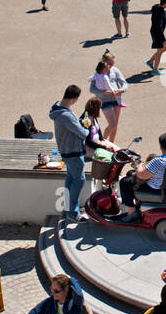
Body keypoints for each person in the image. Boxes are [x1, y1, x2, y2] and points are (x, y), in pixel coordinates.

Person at [118, 131, 166, 221]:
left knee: (124, 182)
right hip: (165, 187)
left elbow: (141, 175)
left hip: (156, 190)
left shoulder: (159, 161)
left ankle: (132, 212)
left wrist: (140, 164)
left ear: (160, 146)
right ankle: (137, 204)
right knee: (130, 174)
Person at [48, 83, 87, 219]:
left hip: (66, 150)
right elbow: (82, 133)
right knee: (80, 179)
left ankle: (68, 208)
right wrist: (87, 128)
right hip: (73, 151)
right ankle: (73, 212)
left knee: (71, 179)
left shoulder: (58, 109)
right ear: (73, 98)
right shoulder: (66, 115)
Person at [91, 52, 127, 143]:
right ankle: (100, 143)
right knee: (112, 124)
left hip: (116, 100)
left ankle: (111, 145)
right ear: (104, 62)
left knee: (115, 125)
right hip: (105, 100)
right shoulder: (98, 73)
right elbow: (92, 89)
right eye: (109, 64)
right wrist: (104, 92)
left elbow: (124, 83)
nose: (111, 66)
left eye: (113, 64)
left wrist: (122, 89)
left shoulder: (115, 70)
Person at [147, 0, 166, 73]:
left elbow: (163, 18)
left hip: (156, 31)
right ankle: (155, 70)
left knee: (164, 48)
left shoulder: (158, 8)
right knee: (160, 51)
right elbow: (158, 26)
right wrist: (163, 38)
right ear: (165, 4)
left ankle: (150, 61)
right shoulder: (159, 11)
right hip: (157, 32)